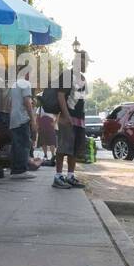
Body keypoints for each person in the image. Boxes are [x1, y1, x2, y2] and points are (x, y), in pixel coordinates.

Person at [52, 51, 87, 189]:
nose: (86, 65)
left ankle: (70, 176)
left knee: (74, 148)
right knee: (63, 147)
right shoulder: (67, 75)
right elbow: (60, 96)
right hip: (67, 118)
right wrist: (66, 116)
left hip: (79, 118)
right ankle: (58, 177)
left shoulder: (82, 78)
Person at [8, 63, 37, 179]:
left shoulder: (14, 84)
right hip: (22, 118)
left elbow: (11, 103)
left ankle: (15, 170)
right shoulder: (25, 83)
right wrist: (33, 120)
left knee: (16, 144)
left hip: (14, 117)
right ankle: (21, 170)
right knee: (24, 144)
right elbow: (27, 102)